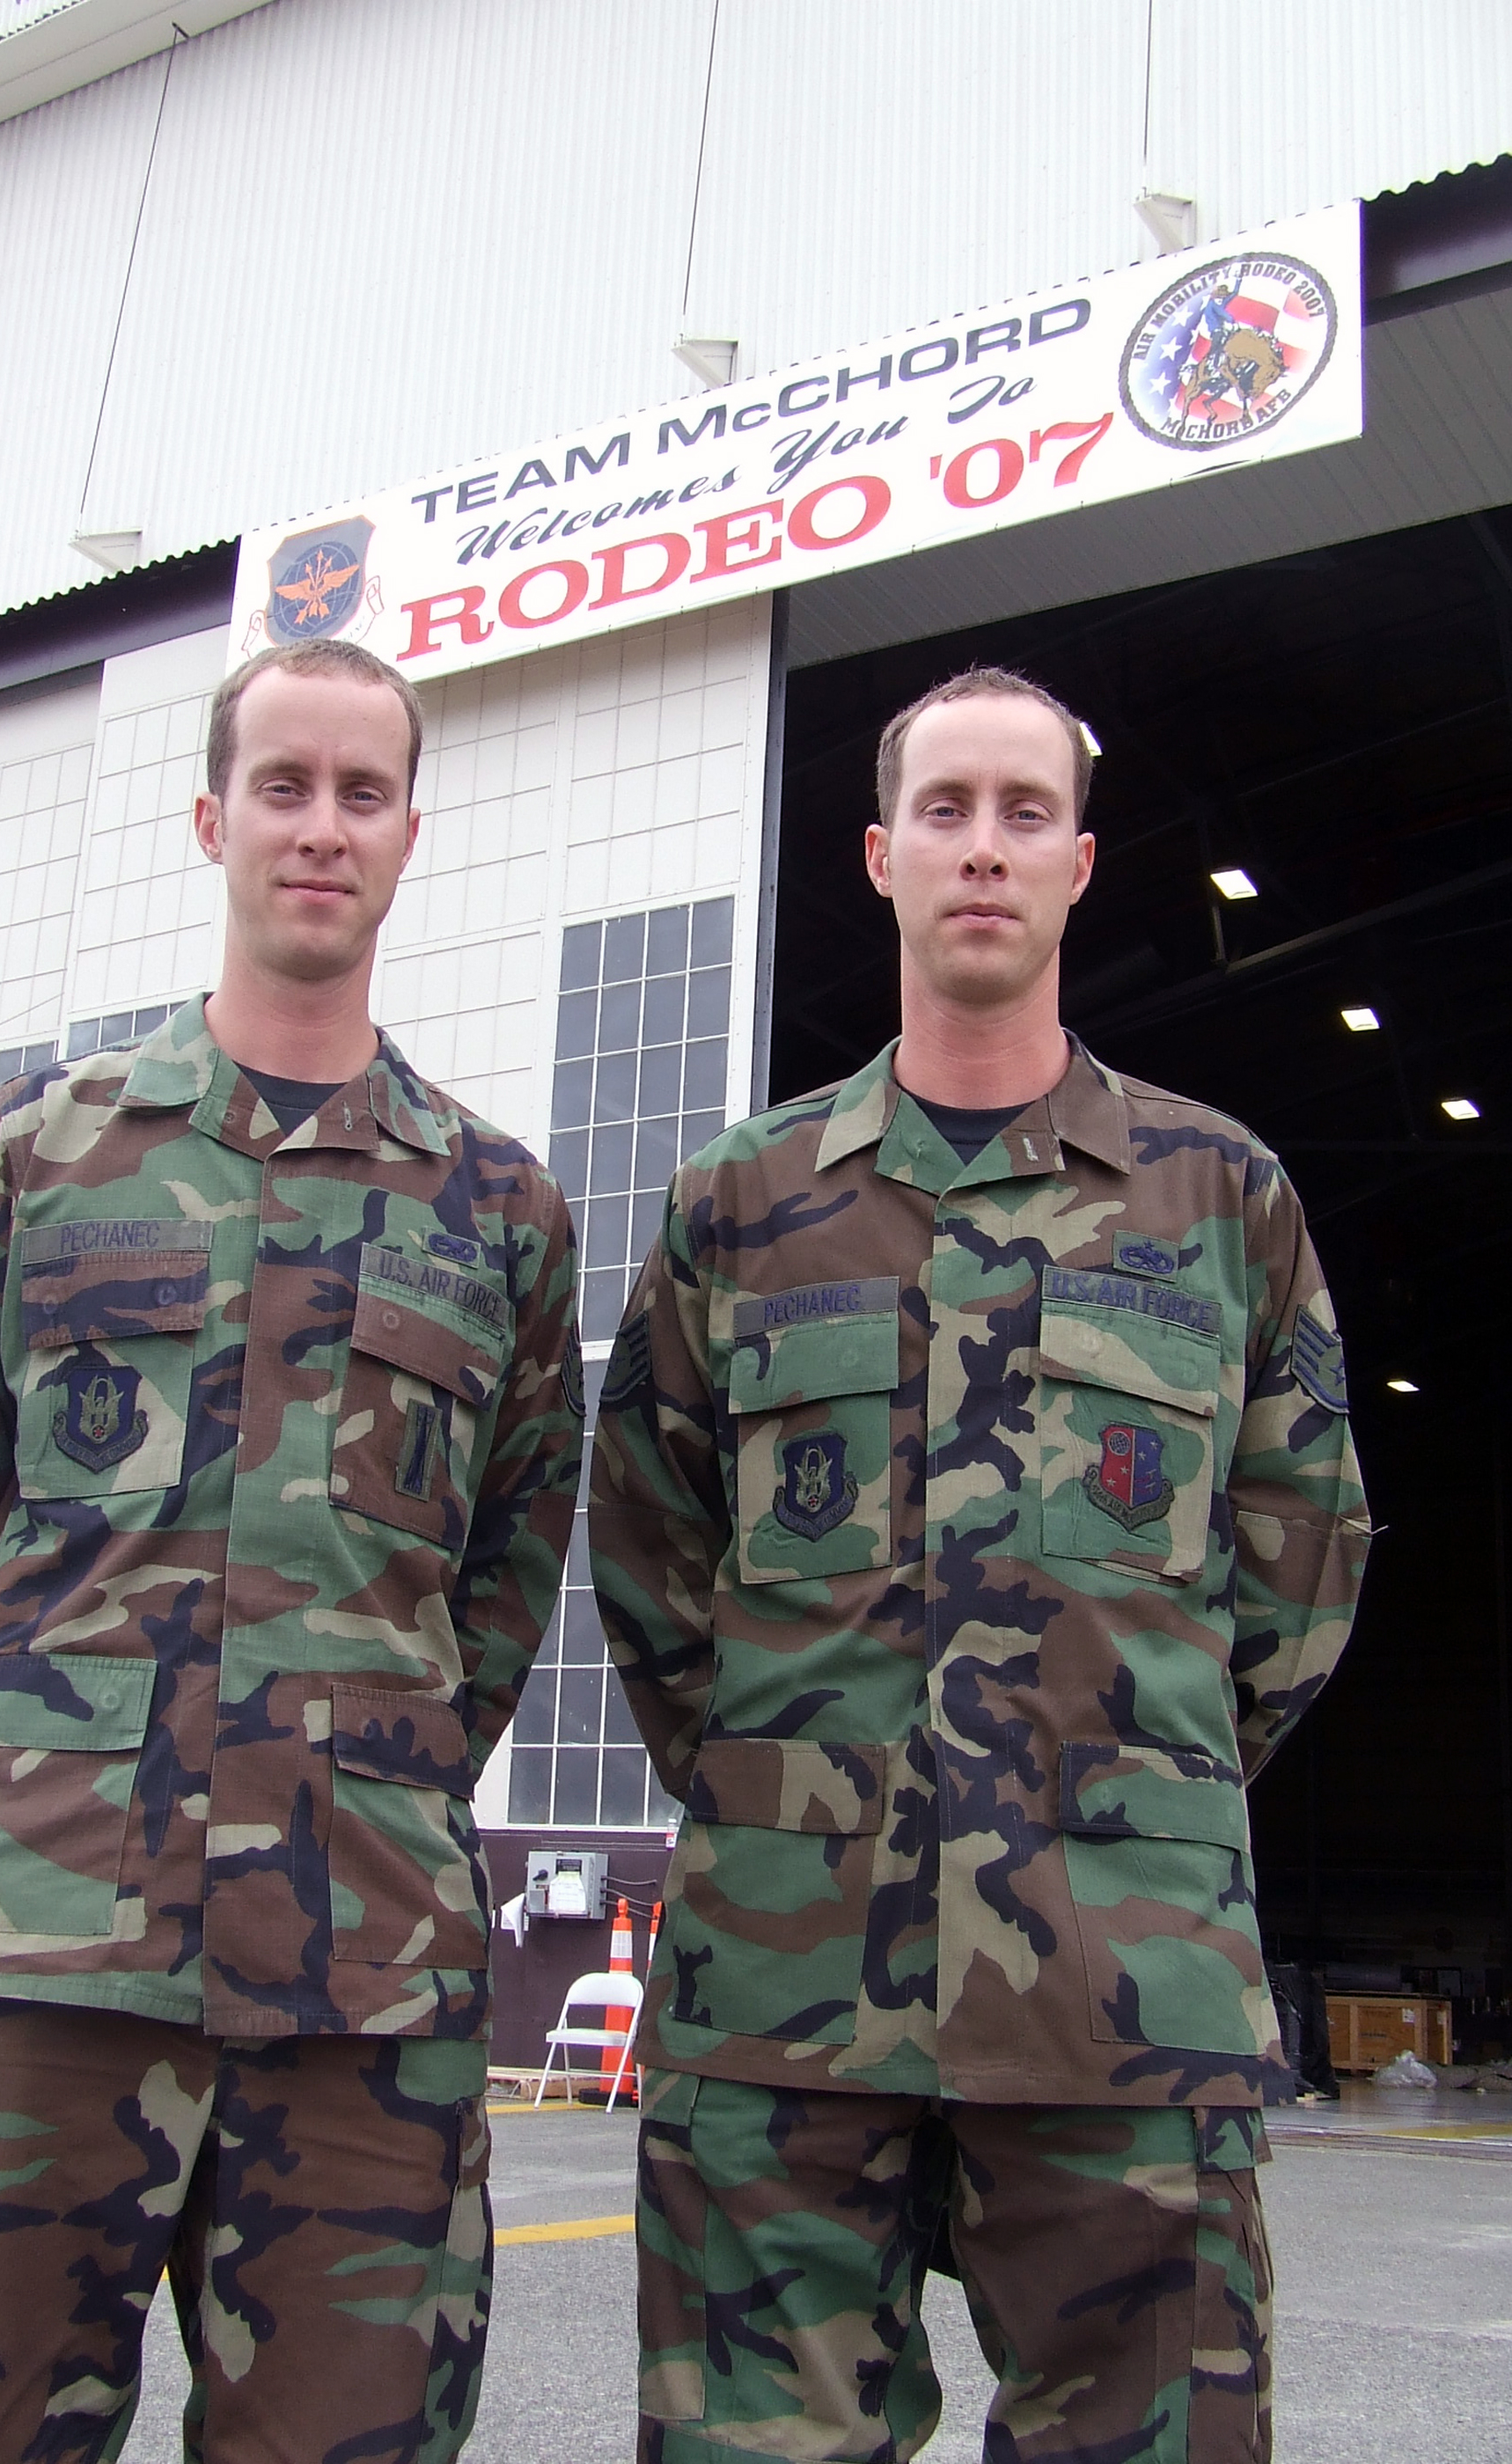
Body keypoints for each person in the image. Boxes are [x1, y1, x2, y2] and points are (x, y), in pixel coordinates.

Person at [589, 666, 1370, 2463]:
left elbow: (1299, 1563)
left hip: (1125, 1994)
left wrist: (1123, 1782)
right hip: (789, 1995)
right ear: (878, 855)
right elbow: (649, 1550)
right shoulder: (740, 1203)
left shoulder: (1217, 1197)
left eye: (1026, 813)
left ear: (1083, 863)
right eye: (945, 811)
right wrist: (798, 1800)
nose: (985, 850)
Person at [0, 638, 584, 2463]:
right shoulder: (36, 1156)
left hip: (362, 1979)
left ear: (409, 835)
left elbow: (510, 1561)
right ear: (210, 817)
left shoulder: (500, 1211)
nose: (322, 826)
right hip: (30, 1956)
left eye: (363, 791)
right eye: (284, 785)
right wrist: (13, 1789)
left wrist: (373, 1781)